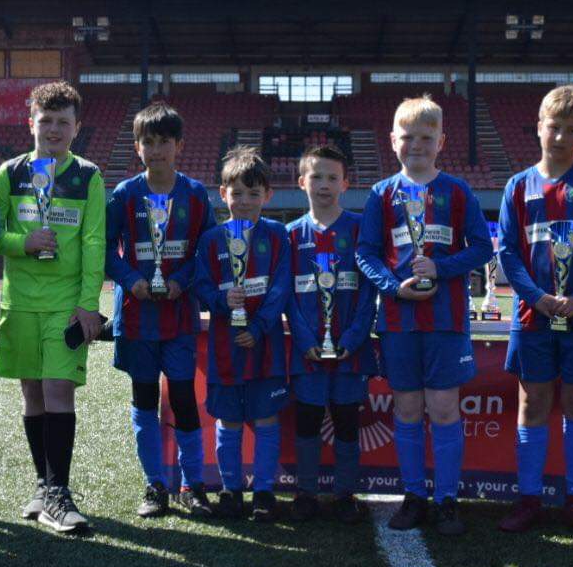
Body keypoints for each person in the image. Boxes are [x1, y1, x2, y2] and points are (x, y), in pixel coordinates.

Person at [357, 95, 493, 535]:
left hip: (446, 321)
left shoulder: (457, 191)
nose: (416, 144)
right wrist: (392, 287)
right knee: (408, 407)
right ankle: (414, 494)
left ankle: (447, 498)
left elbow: (481, 247)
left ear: (441, 142)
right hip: (398, 321)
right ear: (392, 139)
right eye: (408, 136)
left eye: (426, 137)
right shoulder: (382, 193)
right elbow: (366, 253)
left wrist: (441, 267)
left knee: (444, 407)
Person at [494, 85, 573, 536]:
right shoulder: (518, 186)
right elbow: (508, 252)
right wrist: (536, 297)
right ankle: (529, 499)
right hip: (533, 316)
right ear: (538, 127)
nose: (561, 136)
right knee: (533, 404)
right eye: (554, 127)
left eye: (572, 129)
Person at [0, 81, 106, 534]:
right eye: (47, 120)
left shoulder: (88, 176)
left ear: (76, 128)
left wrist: (88, 304)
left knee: (59, 391)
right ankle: (43, 485)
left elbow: (94, 241)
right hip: (19, 304)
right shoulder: (9, 173)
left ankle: (60, 493)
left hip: (65, 305)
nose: (54, 129)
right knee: (32, 396)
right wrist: (24, 243)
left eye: (64, 122)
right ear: (31, 123)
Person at [104, 102, 216, 518]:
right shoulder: (125, 194)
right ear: (137, 147)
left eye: (163, 142)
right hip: (136, 317)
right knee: (144, 400)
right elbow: (105, 249)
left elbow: (207, 252)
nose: (156, 150)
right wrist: (130, 277)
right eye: (148, 142)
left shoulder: (195, 194)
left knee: (185, 399)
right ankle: (154, 485)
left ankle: (192, 484)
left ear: (179, 145)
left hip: (178, 316)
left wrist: (180, 281)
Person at [190, 145, 291, 522]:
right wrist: (220, 298)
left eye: (253, 193)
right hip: (225, 348)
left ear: (268, 195)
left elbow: (281, 286)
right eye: (237, 193)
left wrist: (262, 326)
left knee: (266, 421)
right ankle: (232, 489)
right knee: (228, 422)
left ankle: (263, 492)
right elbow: (200, 285)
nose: (245, 201)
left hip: (265, 348)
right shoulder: (211, 240)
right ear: (223, 193)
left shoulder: (278, 235)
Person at [284, 145, 375, 523]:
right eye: (316, 176)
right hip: (308, 352)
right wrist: (305, 341)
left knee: (346, 423)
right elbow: (285, 293)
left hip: (349, 351)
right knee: (306, 422)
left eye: (332, 177)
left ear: (346, 184)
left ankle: (344, 494)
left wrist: (353, 339)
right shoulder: (289, 234)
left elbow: (370, 292)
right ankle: (306, 492)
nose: (324, 184)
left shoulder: (359, 229)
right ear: (301, 181)